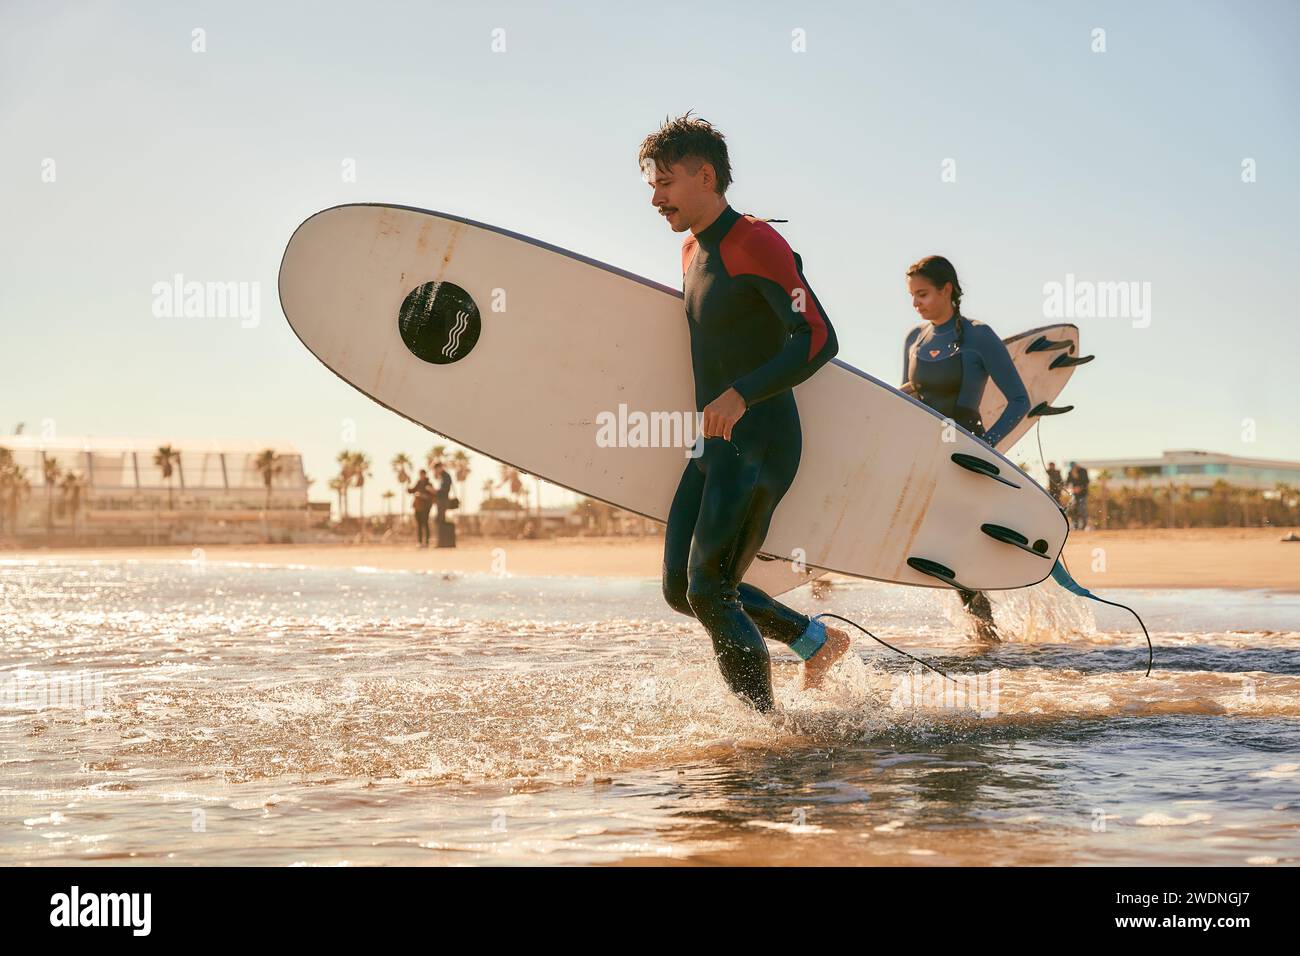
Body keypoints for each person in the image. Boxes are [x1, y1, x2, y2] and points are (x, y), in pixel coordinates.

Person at [642, 113, 851, 713]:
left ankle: (764, 736)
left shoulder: (756, 241)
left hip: (759, 438)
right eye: (652, 187)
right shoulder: (691, 250)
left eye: (666, 184)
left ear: (705, 176)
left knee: (710, 588)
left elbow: (816, 336)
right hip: (714, 443)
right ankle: (816, 642)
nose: (656, 198)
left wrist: (741, 394)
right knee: (684, 590)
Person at [900, 255, 1030, 643]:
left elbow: (1019, 401)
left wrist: (985, 449)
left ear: (947, 290)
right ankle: (984, 633)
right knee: (935, 543)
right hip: (927, 453)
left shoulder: (979, 336)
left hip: (967, 455)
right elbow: (908, 396)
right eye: (911, 296)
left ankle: (986, 633)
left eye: (923, 294)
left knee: (956, 542)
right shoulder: (915, 339)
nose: (916, 303)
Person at [431, 461, 456, 548]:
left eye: (436, 469)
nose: (435, 471)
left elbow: (444, 490)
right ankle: (441, 542)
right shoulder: (443, 476)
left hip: (443, 500)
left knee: (440, 520)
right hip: (442, 500)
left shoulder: (446, 476)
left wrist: (434, 491)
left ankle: (442, 543)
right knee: (439, 519)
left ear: (440, 467)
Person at [407, 469, 434, 548]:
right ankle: (419, 542)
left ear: (425, 475)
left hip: (425, 508)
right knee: (419, 525)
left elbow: (432, 496)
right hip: (417, 507)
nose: (421, 476)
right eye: (420, 475)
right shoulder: (418, 483)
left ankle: (427, 542)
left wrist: (422, 496)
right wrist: (407, 483)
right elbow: (411, 491)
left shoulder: (429, 484)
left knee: (425, 524)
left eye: (422, 474)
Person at [1067, 462, 1090, 530]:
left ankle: (1084, 525)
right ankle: (1075, 526)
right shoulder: (1070, 472)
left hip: (1083, 494)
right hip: (1075, 495)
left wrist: (1080, 488)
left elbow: (1086, 482)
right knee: (1074, 509)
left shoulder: (1083, 471)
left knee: (1082, 509)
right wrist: (1069, 487)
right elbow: (1068, 482)